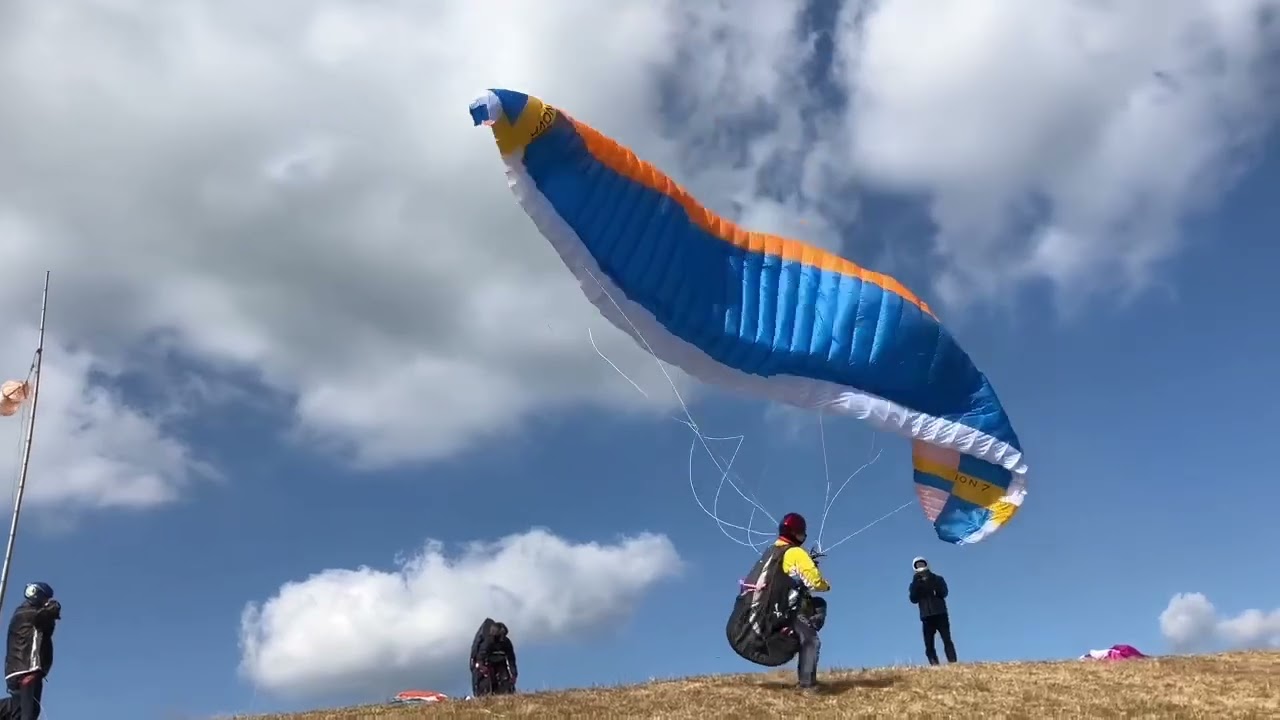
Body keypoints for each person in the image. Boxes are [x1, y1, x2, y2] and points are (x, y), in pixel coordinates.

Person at [775, 512, 829, 693]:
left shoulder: (774, 551)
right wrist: (825, 585)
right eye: (801, 533)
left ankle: (801, 631)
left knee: (818, 604)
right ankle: (807, 686)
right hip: (789, 608)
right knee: (812, 641)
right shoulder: (796, 552)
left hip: (773, 607)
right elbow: (814, 582)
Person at [2, 582, 60, 720]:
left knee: (19, 709)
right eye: (45, 598)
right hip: (27, 668)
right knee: (29, 713)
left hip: (18, 670)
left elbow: (47, 628)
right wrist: (54, 607)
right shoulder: (28, 613)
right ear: (37, 595)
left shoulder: (22, 613)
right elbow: (45, 617)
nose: (47, 602)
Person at [909, 557, 957, 665]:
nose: (920, 566)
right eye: (918, 565)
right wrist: (917, 584)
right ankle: (935, 665)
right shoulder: (914, 583)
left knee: (947, 640)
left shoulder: (937, 578)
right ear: (914, 567)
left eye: (922, 564)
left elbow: (944, 592)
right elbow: (913, 599)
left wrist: (932, 587)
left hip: (940, 614)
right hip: (926, 617)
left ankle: (953, 663)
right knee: (929, 645)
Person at [469, 618, 517, 697]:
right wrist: (482, 668)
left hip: (500, 663)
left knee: (505, 681)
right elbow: (480, 657)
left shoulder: (507, 643)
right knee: (486, 683)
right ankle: (484, 696)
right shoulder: (486, 643)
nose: (502, 639)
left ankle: (507, 694)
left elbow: (511, 659)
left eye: (504, 636)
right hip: (487, 664)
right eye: (500, 636)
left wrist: (513, 674)